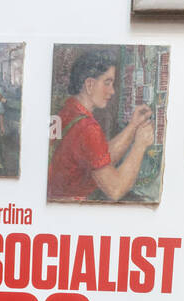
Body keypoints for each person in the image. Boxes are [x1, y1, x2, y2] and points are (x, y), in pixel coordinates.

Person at [48, 50, 154, 203]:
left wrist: (133, 126)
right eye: (107, 83)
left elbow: (97, 155)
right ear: (89, 84)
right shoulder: (87, 129)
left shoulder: (69, 110)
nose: (112, 91)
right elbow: (115, 190)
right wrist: (139, 146)